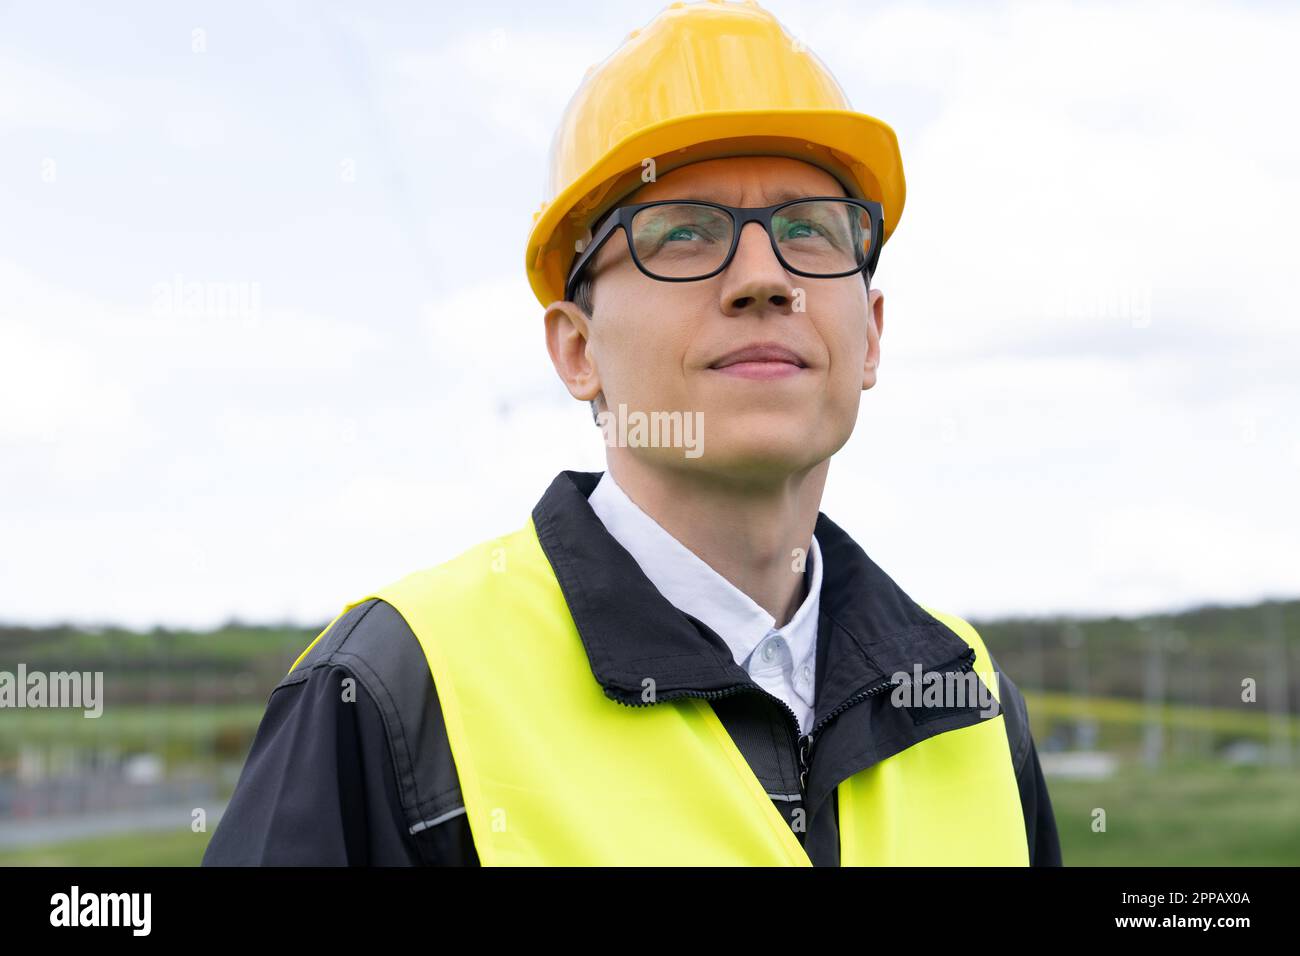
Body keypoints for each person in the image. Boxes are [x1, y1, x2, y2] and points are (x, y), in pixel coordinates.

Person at [203, 0, 1061, 866]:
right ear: (578, 349)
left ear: (870, 334)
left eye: (807, 229)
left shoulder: (970, 703)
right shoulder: (393, 697)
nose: (764, 279)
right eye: (682, 234)